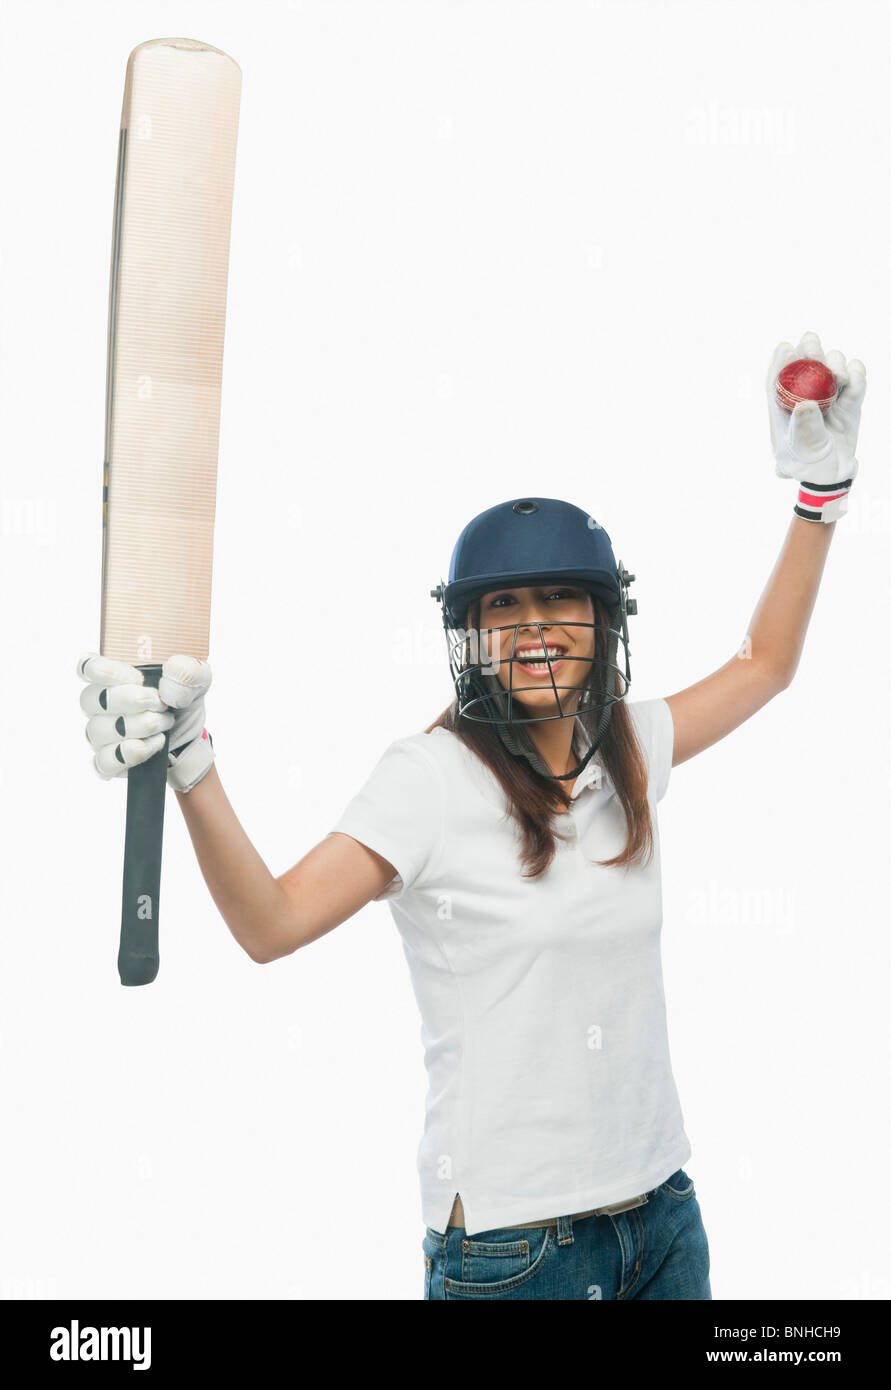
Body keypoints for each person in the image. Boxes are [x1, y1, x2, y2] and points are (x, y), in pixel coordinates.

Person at [77, 333, 865, 1300]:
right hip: (514, 1250)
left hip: (662, 1216)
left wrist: (816, 499)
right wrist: (193, 762)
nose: (534, 627)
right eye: (505, 607)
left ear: (603, 625)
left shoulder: (629, 747)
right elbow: (270, 924)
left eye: (558, 601)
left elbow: (763, 667)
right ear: (471, 638)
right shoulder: (429, 780)